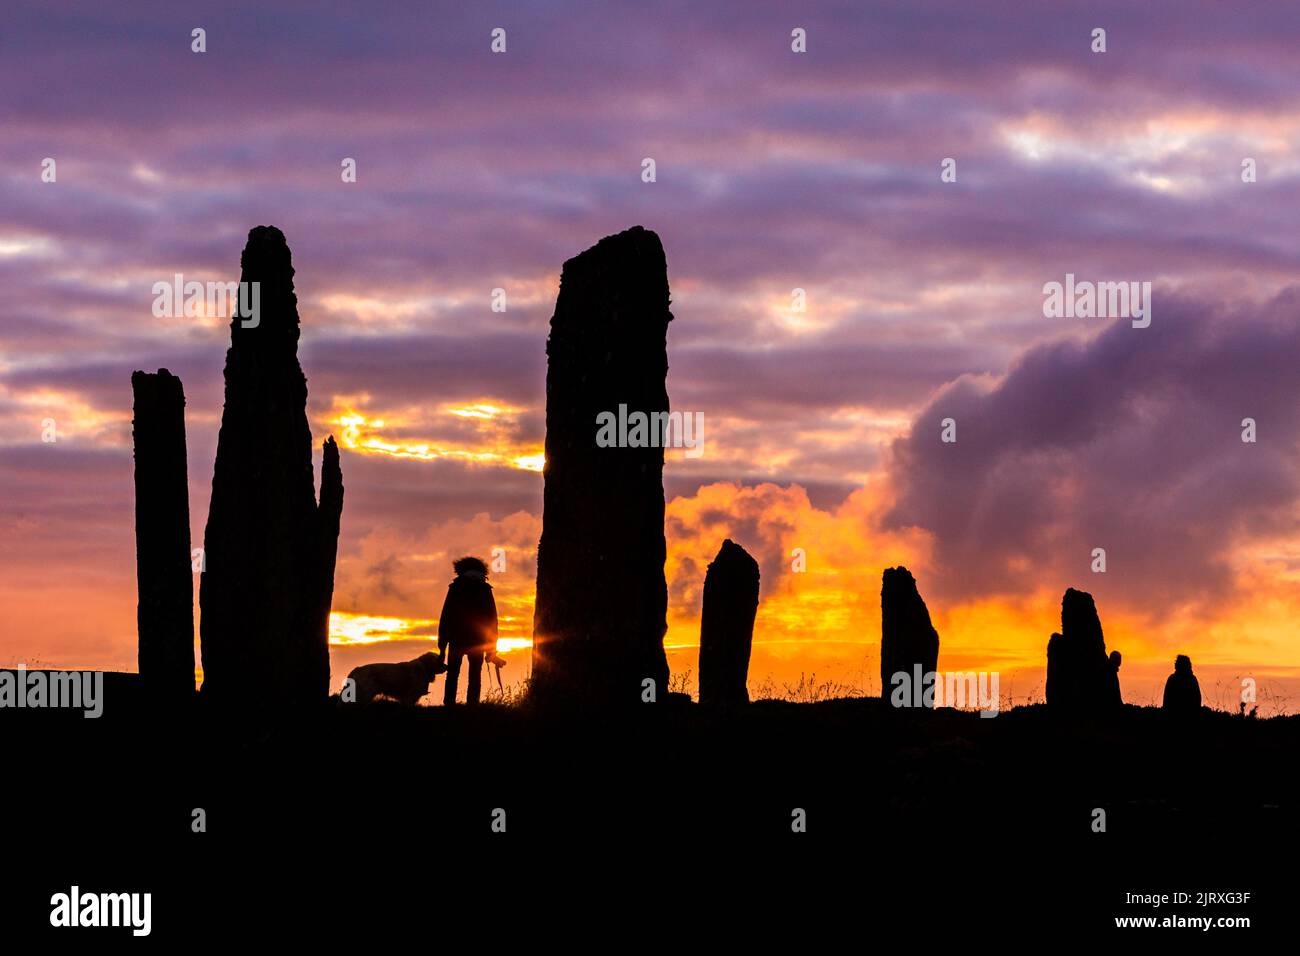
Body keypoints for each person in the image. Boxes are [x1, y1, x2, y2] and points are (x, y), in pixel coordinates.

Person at [437, 556, 498, 705]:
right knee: (475, 675)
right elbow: (492, 620)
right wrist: (492, 647)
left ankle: (449, 705)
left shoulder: (455, 588)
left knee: (452, 674)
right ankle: (473, 705)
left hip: (456, 638)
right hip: (478, 640)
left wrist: (442, 645)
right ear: (481, 571)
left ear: (461, 570)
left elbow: (446, 616)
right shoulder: (485, 589)